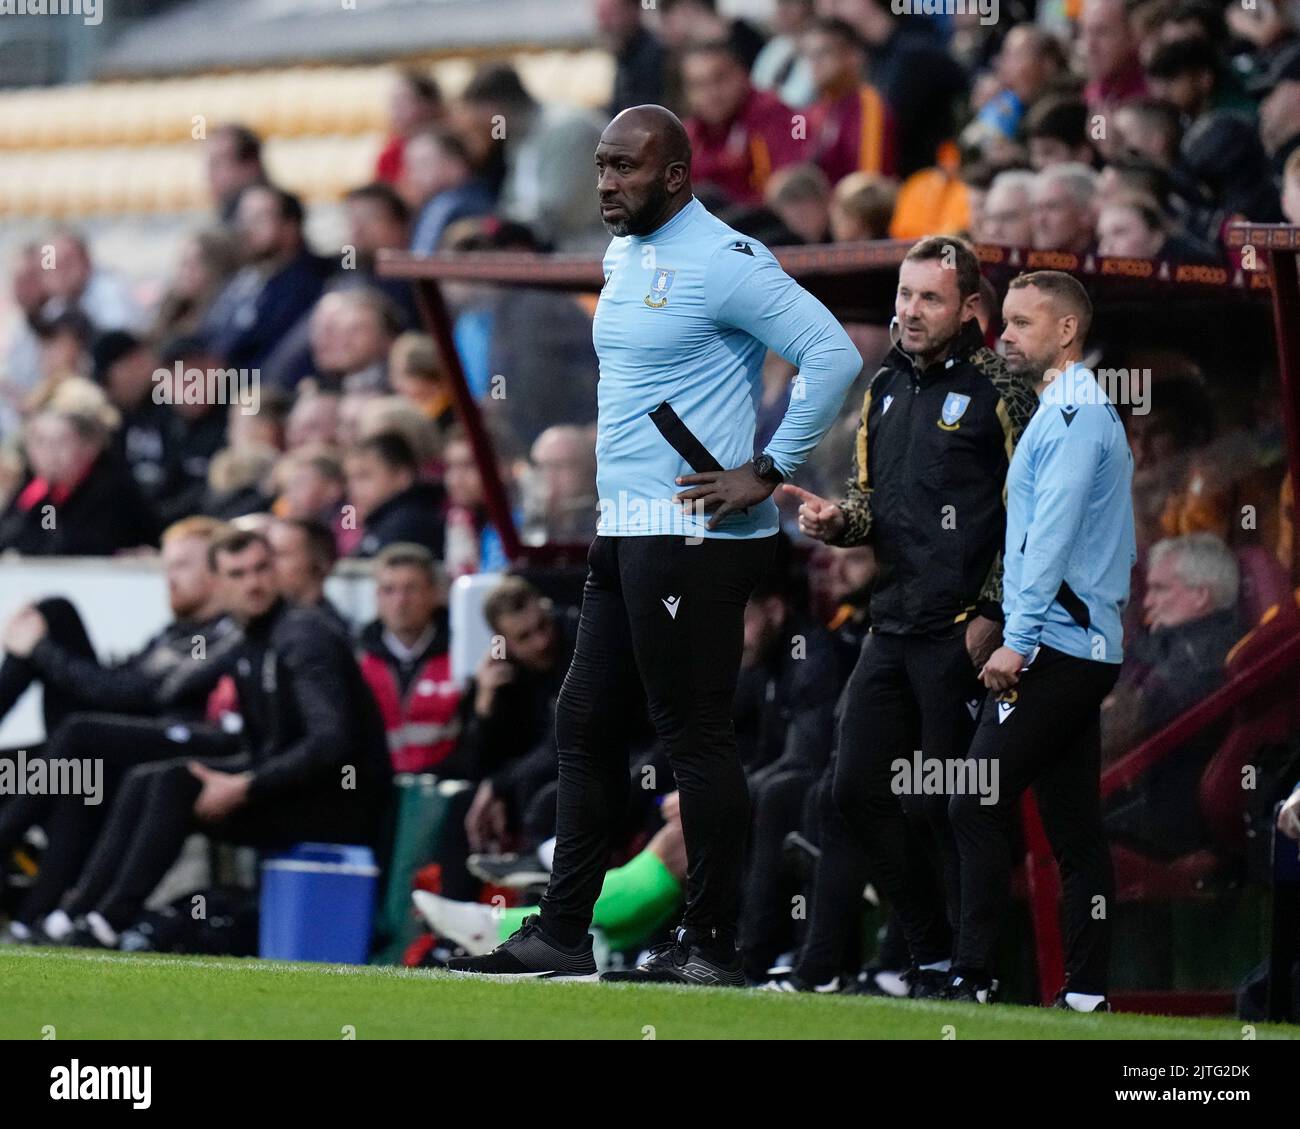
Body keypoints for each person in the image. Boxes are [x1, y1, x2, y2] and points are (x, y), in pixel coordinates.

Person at [447, 104, 862, 986]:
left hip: (696, 534)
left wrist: (771, 466)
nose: (606, 182)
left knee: (693, 739)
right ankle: (564, 931)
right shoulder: (623, 252)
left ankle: (713, 944)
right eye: (599, 165)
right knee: (583, 719)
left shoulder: (728, 260)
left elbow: (831, 352)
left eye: (625, 167)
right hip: (625, 524)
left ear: (676, 174)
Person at [785, 236, 1038, 997]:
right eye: (904, 295)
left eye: (929, 298)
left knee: (948, 802)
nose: (911, 311)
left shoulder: (1003, 390)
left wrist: (995, 609)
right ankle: (930, 948)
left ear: (969, 309)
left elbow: (1031, 514)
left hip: (959, 628)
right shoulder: (884, 385)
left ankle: (976, 968)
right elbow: (872, 506)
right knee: (853, 790)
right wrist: (840, 521)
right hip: (891, 622)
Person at [57, 529, 391, 949]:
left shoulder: (303, 637)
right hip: (296, 787)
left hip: (338, 803)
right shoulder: (251, 638)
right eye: (238, 574)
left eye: (262, 569)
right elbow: (174, 690)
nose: (253, 584)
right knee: (151, 778)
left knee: (176, 785)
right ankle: (77, 913)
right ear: (217, 585)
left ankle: (106, 923)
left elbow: (332, 741)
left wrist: (246, 785)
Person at [946, 270, 1135, 1011]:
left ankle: (975, 977)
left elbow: (1049, 535)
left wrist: (1017, 639)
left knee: (974, 796)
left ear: (1066, 332)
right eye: (1006, 321)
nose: (1004, 336)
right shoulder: (1068, 409)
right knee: (1073, 828)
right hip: (1075, 642)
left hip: (1058, 643)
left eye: (1022, 323)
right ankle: (1086, 995)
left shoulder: (1076, 414)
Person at [0, 517, 242, 940]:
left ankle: (31, 901)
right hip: (98, 750)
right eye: (166, 567)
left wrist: (39, 649)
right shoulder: (173, 633)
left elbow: (140, 693)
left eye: (183, 566)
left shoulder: (225, 637)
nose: (170, 579)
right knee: (55, 617)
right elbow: (118, 685)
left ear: (218, 572)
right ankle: (30, 917)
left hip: (155, 752)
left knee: (78, 745)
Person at [357, 543, 461, 774]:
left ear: (433, 593)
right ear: (377, 597)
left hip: (445, 788)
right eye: (389, 590)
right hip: (378, 791)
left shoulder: (460, 656)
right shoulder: (358, 662)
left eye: (411, 589)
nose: (400, 601)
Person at [681, 40, 801, 208]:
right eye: (698, 85)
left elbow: (779, 192)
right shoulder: (688, 135)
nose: (711, 93)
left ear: (742, 74)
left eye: (719, 79)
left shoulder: (772, 115)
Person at [801, 17, 896, 183]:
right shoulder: (812, 111)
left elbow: (869, 184)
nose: (815, 64)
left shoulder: (868, 105)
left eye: (824, 53)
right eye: (810, 56)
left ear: (853, 57)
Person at [345, 430, 445, 559]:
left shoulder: (408, 524)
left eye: (364, 476)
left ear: (402, 476)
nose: (353, 488)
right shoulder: (381, 521)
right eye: (350, 479)